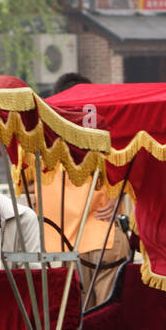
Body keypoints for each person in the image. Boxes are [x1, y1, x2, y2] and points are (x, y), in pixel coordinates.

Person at [39, 73, 128, 308]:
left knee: (73, 320)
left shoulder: (41, 138)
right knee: (108, 315)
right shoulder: (106, 133)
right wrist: (119, 196)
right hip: (102, 235)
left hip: (59, 245)